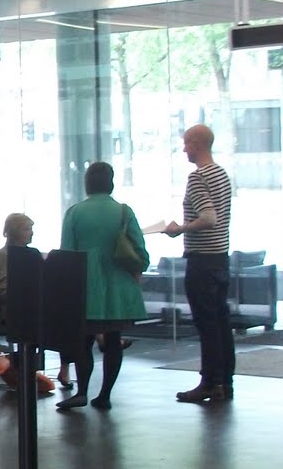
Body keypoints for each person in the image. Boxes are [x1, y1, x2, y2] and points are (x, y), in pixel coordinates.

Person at [56, 161, 149, 411]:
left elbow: (67, 254)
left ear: (87, 183)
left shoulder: (74, 212)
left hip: (85, 285)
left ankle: (82, 391)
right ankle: (105, 394)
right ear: (111, 183)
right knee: (113, 339)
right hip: (118, 286)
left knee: (83, 339)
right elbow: (140, 249)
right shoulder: (123, 211)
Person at [165, 124, 234, 403]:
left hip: (202, 259)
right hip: (220, 256)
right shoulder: (221, 174)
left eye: (186, 143)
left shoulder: (198, 178)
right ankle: (224, 381)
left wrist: (180, 229)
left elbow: (209, 217)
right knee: (220, 321)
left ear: (196, 143)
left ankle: (209, 381)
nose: (183, 149)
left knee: (206, 323)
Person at [0, 212, 62, 395]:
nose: (31, 233)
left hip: (28, 308)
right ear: (14, 232)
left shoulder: (31, 255)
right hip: (14, 312)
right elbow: (3, 290)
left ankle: (29, 371)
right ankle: (24, 371)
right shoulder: (2, 257)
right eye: (27, 229)